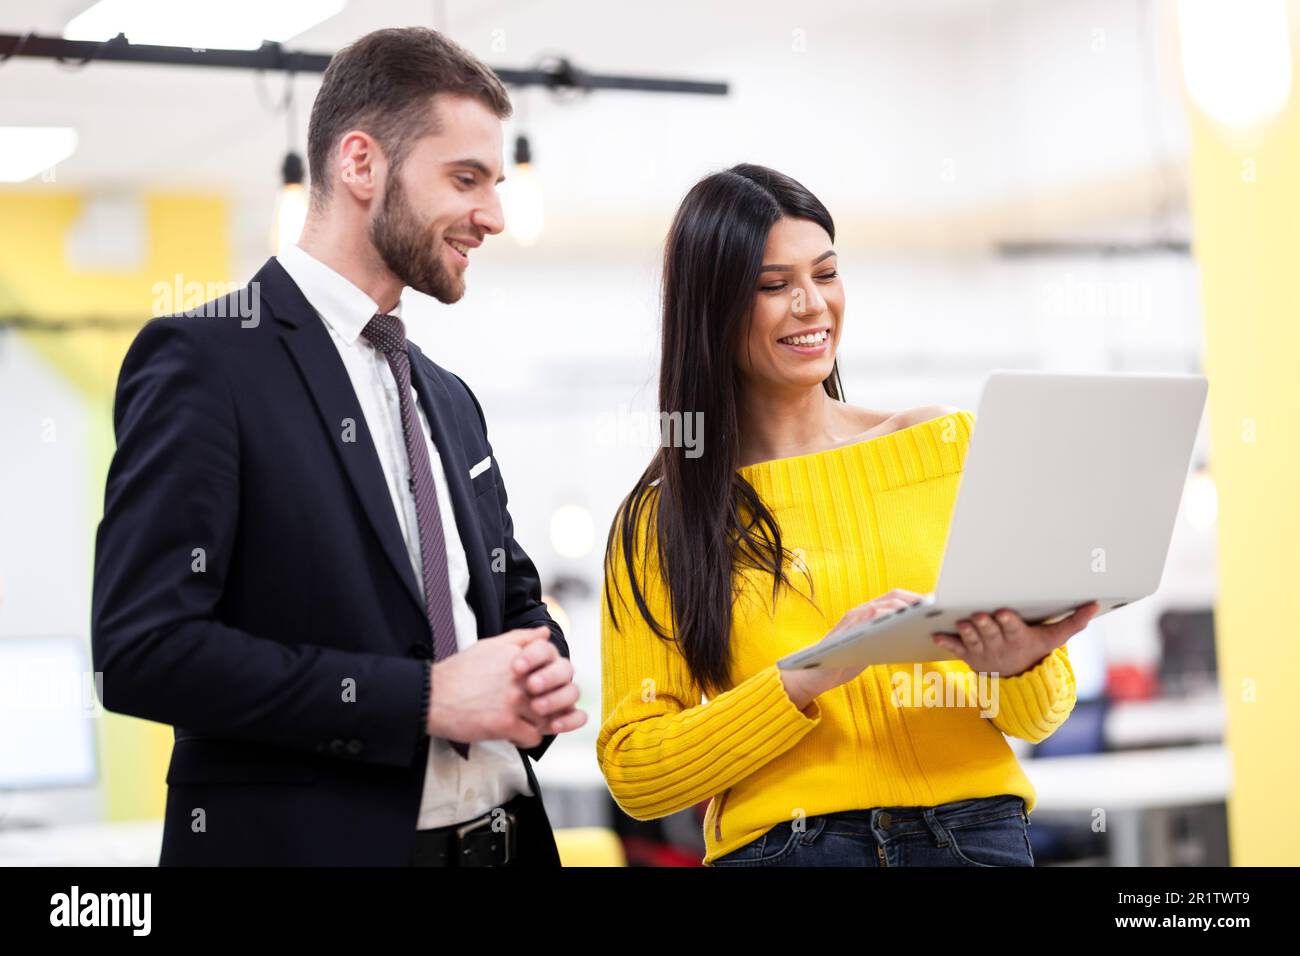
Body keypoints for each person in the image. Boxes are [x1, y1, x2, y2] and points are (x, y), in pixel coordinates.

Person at [92, 27, 586, 867]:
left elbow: (507, 597)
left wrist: (537, 666)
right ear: (361, 164)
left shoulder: (448, 396)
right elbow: (144, 652)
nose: (494, 216)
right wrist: (423, 698)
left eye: (497, 184)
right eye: (466, 179)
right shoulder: (205, 360)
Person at [596, 163, 1098, 867]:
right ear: (712, 309)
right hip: (791, 850)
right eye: (775, 286)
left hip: (974, 837)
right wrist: (805, 678)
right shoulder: (663, 522)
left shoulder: (944, 449)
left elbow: (1041, 715)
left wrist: (1017, 667)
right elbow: (636, 771)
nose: (811, 304)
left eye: (826, 274)